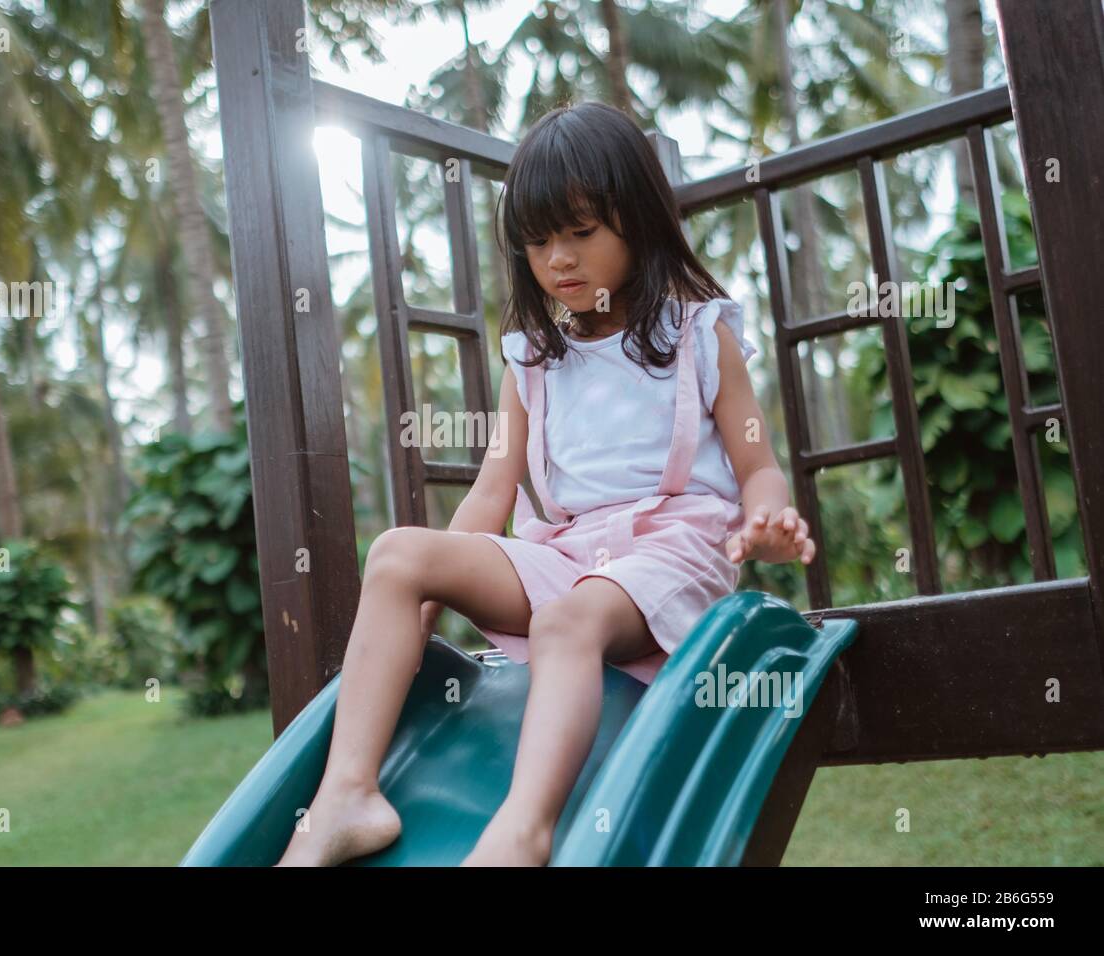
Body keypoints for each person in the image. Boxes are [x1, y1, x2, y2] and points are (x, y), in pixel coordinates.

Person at [276, 101, 816, 867]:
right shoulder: (532, 356)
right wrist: (438, 575)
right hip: (563, 551)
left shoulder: (700, 333)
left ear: (637, 219)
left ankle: (522, 832)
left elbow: (756, 463)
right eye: (537, 242)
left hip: (670, 550)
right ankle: (346, 795)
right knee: (398, 553)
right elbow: (496, 485)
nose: (557, 259)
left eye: (580, 233)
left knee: (567, 622)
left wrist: (767, 522)